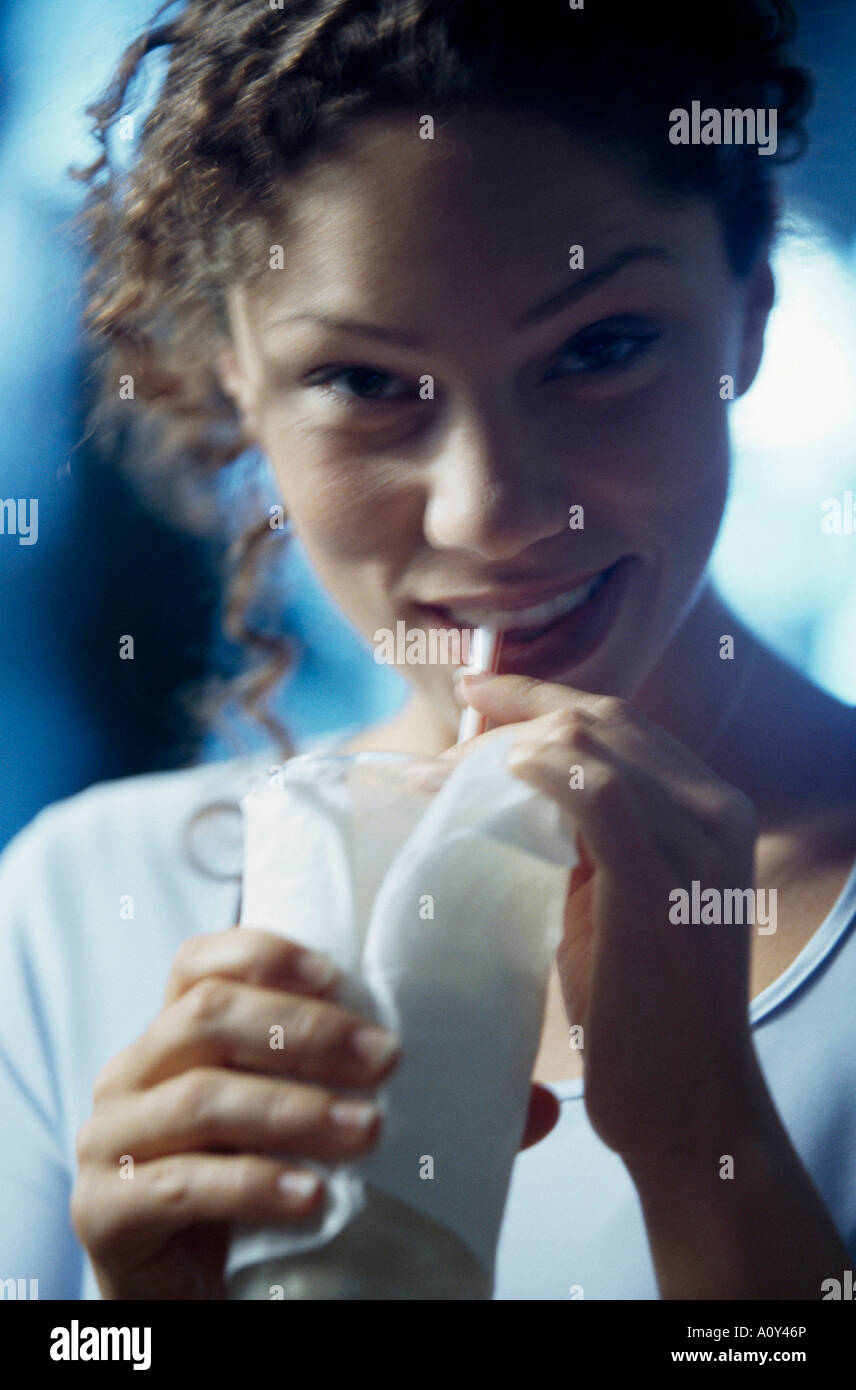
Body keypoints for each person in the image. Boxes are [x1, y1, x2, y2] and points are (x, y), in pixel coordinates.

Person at [2, 0, 855, 1301]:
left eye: (601, 347)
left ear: (748, 321)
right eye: (360, 380)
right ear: (238, 381)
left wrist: (714, 1155)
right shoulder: (76, 913)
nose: (491, 510)